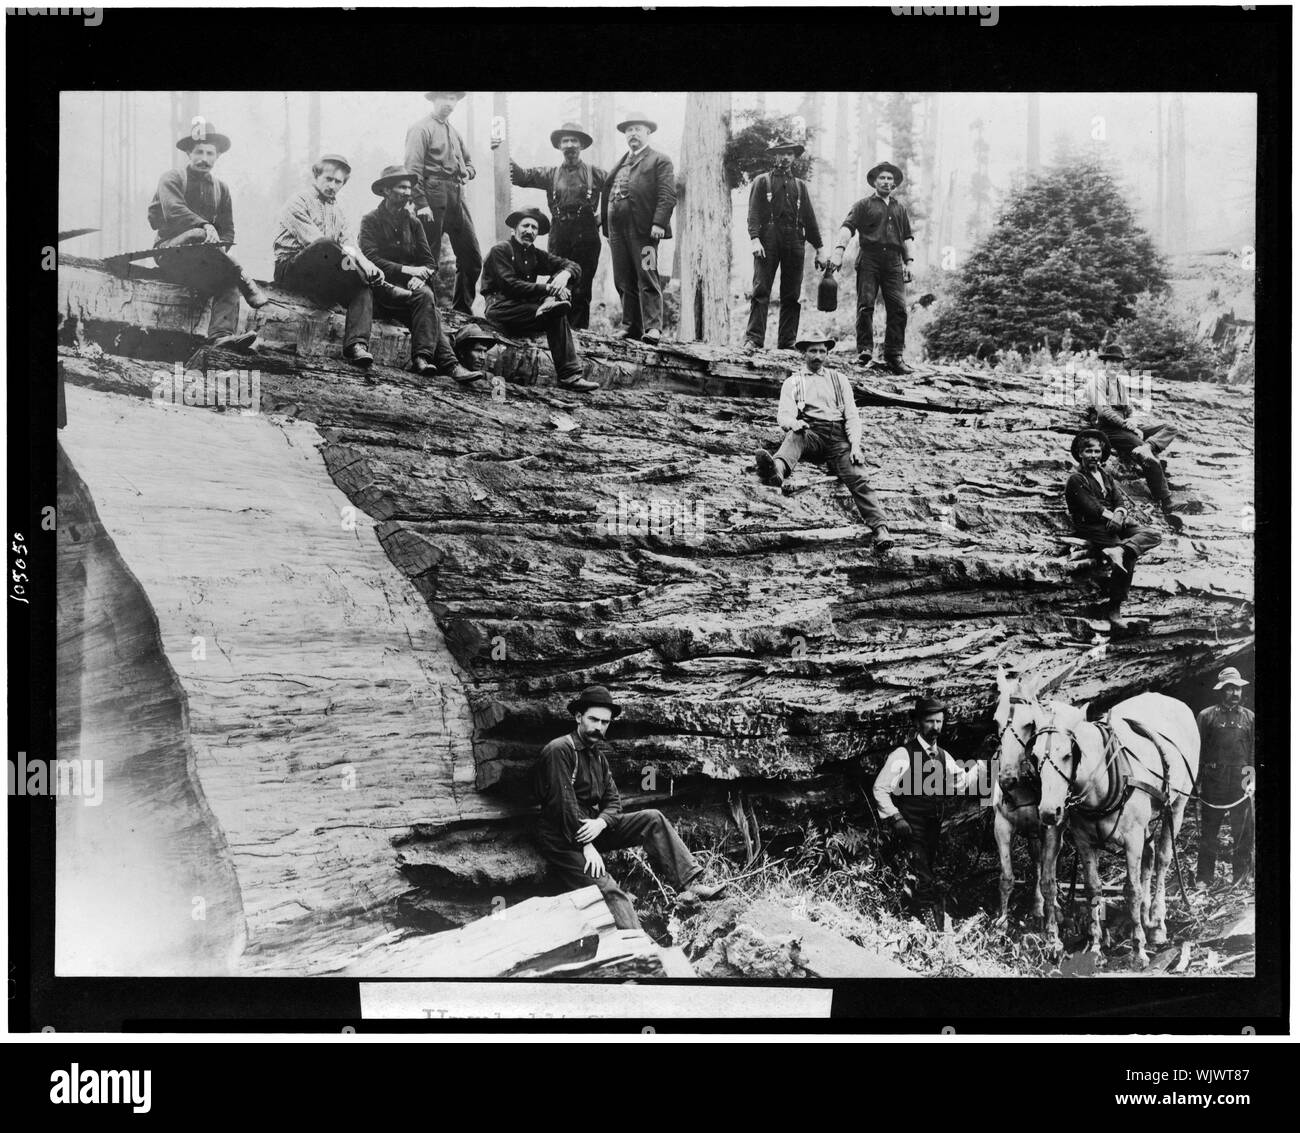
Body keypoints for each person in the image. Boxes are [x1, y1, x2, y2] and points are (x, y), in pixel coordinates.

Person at [532, 685, 723, 930]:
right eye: (593, 719)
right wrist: (586, 845)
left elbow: (613, 803)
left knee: (652, 818)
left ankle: (690, 885)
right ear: (578, 717)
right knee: (608, 889)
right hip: (561, 836)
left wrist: (600, 823)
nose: (598, 727)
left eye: (604, 722)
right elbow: (562, 805)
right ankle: (637, 948)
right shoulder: (560, 750)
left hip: (590, 827)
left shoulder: (598, 758)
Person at [753, 337, 895, 552]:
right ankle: (776, 471)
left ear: (827, 353)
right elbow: (784, 415)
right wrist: (794, 423)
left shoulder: (840, 380)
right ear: (804, 353)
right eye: (812, 351)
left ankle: (880, 530)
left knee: (858, 477)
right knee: (794, 437)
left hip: (839, 438)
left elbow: (852, 416)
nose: (818, 356)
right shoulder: (793, 382)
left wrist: (855, 445)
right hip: (812, 433)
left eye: (822, 351)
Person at [273, 153, 410, 369]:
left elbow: (350, 245)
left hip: (324, 274)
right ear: (316, 176)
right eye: (328, 179)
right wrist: (355, 264)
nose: (333, 185)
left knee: (362, 287)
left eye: (338, 182)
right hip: (292, 268)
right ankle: (383, 288)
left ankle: (357, 346)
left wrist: (369, 266)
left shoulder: (339, 212)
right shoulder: (298, 201)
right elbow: (315, 243)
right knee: (326, 246)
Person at [358, 164, 484, 383]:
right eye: (401, 187)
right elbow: (371, 258)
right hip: (381, 291)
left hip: (410, 294)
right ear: (386, 191)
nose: (408, 192)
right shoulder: (370, 220)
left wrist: (421, 276)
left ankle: (428, 361)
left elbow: (428, 261)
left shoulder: (413, 223)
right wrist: (408, 270)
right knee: (429, 306)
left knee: (426, 300)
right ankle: (445, 364)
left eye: (409, 188)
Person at [147, 122, 267, 351]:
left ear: (218, 156)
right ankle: (244, 279)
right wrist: (204, 226)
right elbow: (173, 210)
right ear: (188, 153)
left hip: (201, 262)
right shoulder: (172, 178)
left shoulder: (221, 189)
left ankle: (221, 336)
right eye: (198, 152)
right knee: (198, 234)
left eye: (209, 153)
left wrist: (218, 247)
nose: (204, 158)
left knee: (228, 280)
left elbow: (228, 230)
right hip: (171, 253)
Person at [872, 696, 978, 918]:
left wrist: (984, 762)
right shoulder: (903, 754)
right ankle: (921, 925)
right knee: (923, 879)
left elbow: (961, 785)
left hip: (933, 830)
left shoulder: (944, 757)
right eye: (930, 721)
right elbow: (880, 789)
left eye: (939, 721)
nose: (936, 727)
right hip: (910, 828)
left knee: (922, 874)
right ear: (918, 723)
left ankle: (908, 920)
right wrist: (896, 818)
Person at [495, 121, 607, 330]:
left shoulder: (597, 173)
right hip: (559, 231)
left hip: (587, 234)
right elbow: (520, 176)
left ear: (581, 145)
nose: (570, 145)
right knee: (558, 280)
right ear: (559, 146)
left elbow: (617, 191)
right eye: (565, 141)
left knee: (582, 287)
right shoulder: (550, 174)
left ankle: (579, 335)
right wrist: (500, 149)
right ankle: (557, 329)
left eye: (574, 140)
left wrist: (604, 217)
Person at [480, 206, 599, 391]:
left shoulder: (535, 254)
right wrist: (548, 289)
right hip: (500, 308)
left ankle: (570, 376)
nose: (529, 231)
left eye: (534, 228)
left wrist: (565, 274)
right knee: (553, 310)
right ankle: (548, 305)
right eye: (525, 226)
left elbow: (573, 265)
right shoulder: (501, 250)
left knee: (557, 309)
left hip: (525, 310)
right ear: (514, 228)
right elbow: (511, 286)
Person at [1064, 428, 1162, 632]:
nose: (1093, 456)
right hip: (1091, 525)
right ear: (1080, 453)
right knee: (1129, 558)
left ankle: (1121, 550)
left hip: (1114, 521)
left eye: (1097, 452)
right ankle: (1114, 609)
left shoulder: (1105, 476)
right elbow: (1092, 507)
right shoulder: (1076, 479)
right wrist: (1114, 517)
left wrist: (1119, 514)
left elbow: (1118, 500)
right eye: (1088, 451)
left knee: (1153, 534)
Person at [1080, 344, 1184, 530]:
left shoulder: (1119, 384)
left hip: (1124, 426)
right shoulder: (1097, 382)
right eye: (1112, 361)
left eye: (1119, 362)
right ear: (1105, 362)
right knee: (1146, 453)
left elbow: (1129, 410)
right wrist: (1127, 425)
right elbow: (1103, 412)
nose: (1115, 365)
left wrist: (1133, 422)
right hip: (1108, 430)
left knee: (1169, 427)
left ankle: (1148, 446)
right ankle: (1166, 501)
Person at [827, 161, 914, 375]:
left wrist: (909, 262)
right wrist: (838, 252)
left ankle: (894, 356)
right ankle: (864, 351)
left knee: (899, 309)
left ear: (894, 184)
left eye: (889, 179)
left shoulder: (899, 208)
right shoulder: (863, 205)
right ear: (875, 181)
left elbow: (907, 238)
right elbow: (847, 228)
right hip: (869, 259)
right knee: (865, 306)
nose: (886, 181)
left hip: (893, 262)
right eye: (882, 178)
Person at [598, 111, 676, 344]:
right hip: (617, 231)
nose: (633, 134)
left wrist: (659, 222)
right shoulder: (621, 162)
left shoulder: (659, 160)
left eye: (637, 129)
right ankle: (630, 325)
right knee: (623, 278)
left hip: (644, 231)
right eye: (629, 130)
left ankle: (653, 327)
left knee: (647, 275)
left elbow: (667, 194)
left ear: (648, 133)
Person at [404, 91, 482, 316]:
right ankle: (428, 310)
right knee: (429, 258)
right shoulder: (421, 129)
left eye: (453, 99)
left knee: (472, 257)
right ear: (433, 99)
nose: (449, 103)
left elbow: (469, 163)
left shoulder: (454, 132)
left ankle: (462, 310)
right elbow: (412, 170)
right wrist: (421, 203)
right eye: (444, 98)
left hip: (456, 197)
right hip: (432, 196)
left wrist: (468, 171)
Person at [743, 138, 824, 353]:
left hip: (795, 241)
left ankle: (787, 343)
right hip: (768, 238)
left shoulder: (800, 186)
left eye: (790, 154)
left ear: (794, 157)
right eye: (782, 153)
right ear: (775, 156)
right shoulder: (762, 182)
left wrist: (820, 248)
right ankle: (754, 339)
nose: (786, 157)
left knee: (792, 294)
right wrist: (754, 239)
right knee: (761, 289)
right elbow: (753, 214)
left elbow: (810, 219)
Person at [1195, 667, 1255, 890]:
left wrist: (1251, 781)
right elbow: (1197, 752)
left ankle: (1241, 877)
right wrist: (1197, 783)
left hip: (1240, 784)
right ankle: (1204, 879)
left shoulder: (1250, 718)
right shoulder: (1206, 716)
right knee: (1209, 834)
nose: (1235, 693)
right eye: (1230, 689)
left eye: (1238, 689)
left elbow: (1253, 751)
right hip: (1214, 783)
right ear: (1221, 691)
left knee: (1242, 833)